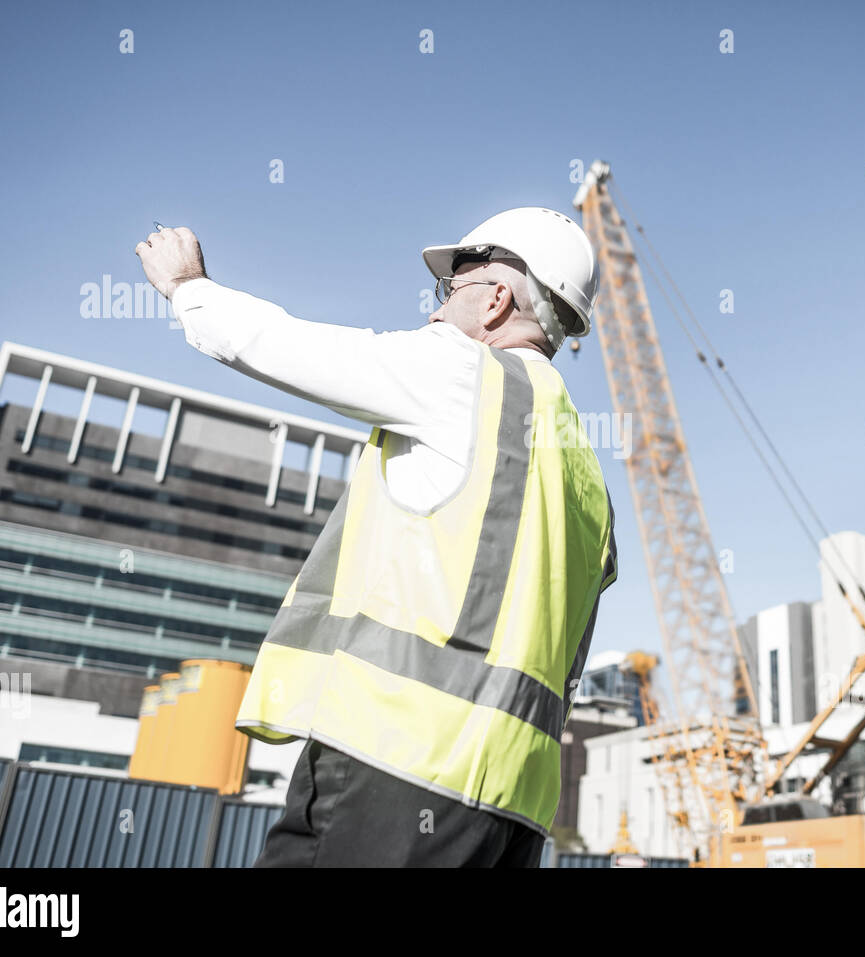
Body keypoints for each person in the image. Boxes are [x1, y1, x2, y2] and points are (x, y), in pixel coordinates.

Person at [135, 207, 617, 866]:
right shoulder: (584, 468)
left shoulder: (464, 374)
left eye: (450, 293)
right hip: (514, 805)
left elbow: (295, 347)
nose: (434, 314)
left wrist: (188, 288)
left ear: (498, 300)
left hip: (397, 763)